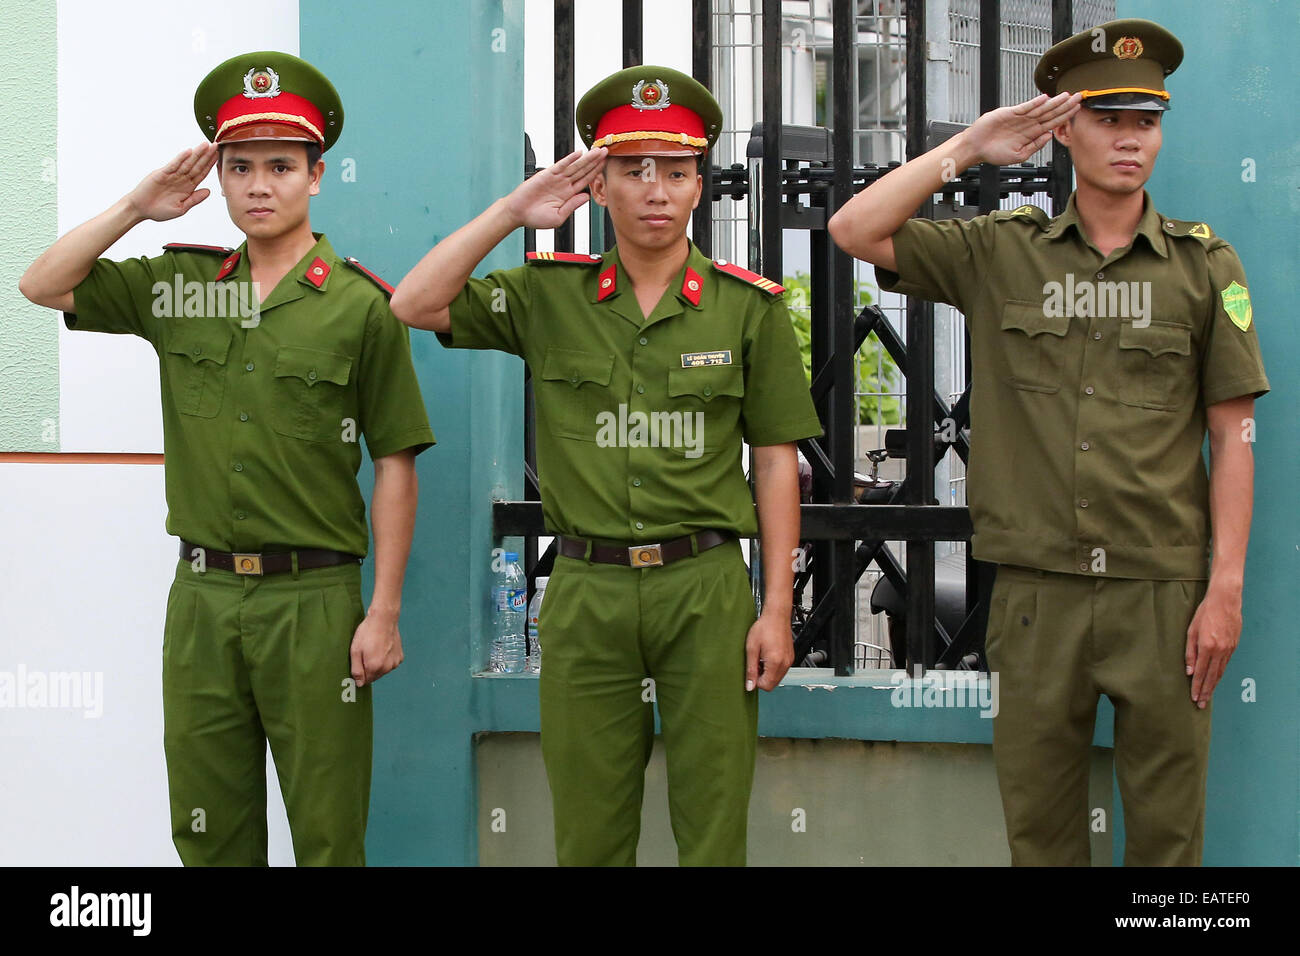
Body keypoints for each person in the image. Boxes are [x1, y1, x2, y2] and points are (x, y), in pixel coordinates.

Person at [828, 18, 1269, 866]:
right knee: (1042, 837)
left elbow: (1232, 435)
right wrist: (968, 147)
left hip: (1163, 595)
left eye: (1145, 121)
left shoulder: (1204, 267)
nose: (1130, 140)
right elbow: (854, 230)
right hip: (1037, 597)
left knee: (1170, 842)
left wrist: (1225, 591)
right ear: (1064, 128)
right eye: (1108, 119)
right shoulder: (1001, 253)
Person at [390, 65, 822, 865]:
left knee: (714, 825)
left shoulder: (747, 307)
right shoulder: (549, 294)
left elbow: (773, 462)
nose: (655, 189)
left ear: (700, 187)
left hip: (707, 590)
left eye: (676, 171)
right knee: (589, 831)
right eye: (633, 170)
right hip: (588, 589)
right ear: (602, 183)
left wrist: (775, 607)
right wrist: (514, 211)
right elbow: (415, 303)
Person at [19, 51, 435, 865]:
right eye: (239, 165)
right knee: (209, 833)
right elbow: (42, 283)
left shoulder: (361, 308)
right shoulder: (182, 288)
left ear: (316, 177)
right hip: (203, 601)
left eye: (281, 166)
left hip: (314, 605)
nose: (258, 184)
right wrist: (138, 207)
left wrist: (382, 609)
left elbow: (395, 463)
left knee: (326, 833)